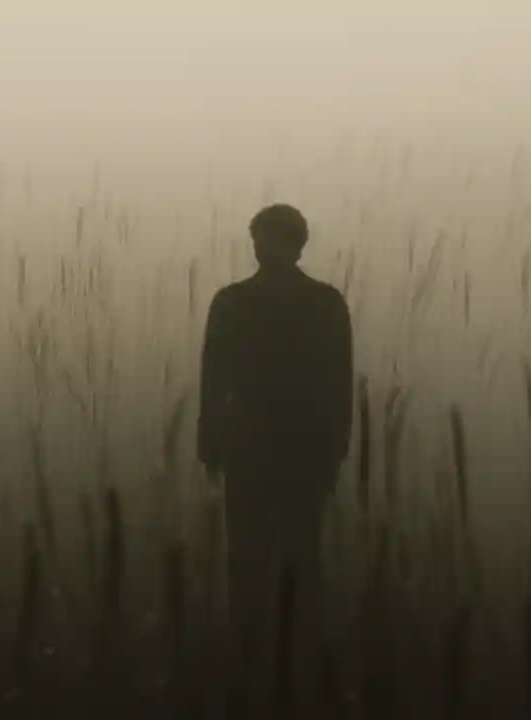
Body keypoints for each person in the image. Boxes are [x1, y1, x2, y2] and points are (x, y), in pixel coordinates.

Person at [197, 204, 353, 713]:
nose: (263, 245)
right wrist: (211, 437)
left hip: (275, 446)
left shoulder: (238, 301)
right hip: (276, 446)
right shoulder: (319, 302)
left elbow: (337, 381)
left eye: (268, 237)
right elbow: (214, 377)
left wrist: (211, 438)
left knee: (275, 554)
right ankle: (275, 657)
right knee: (272, 553)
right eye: (262, 236)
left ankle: (270, 660)